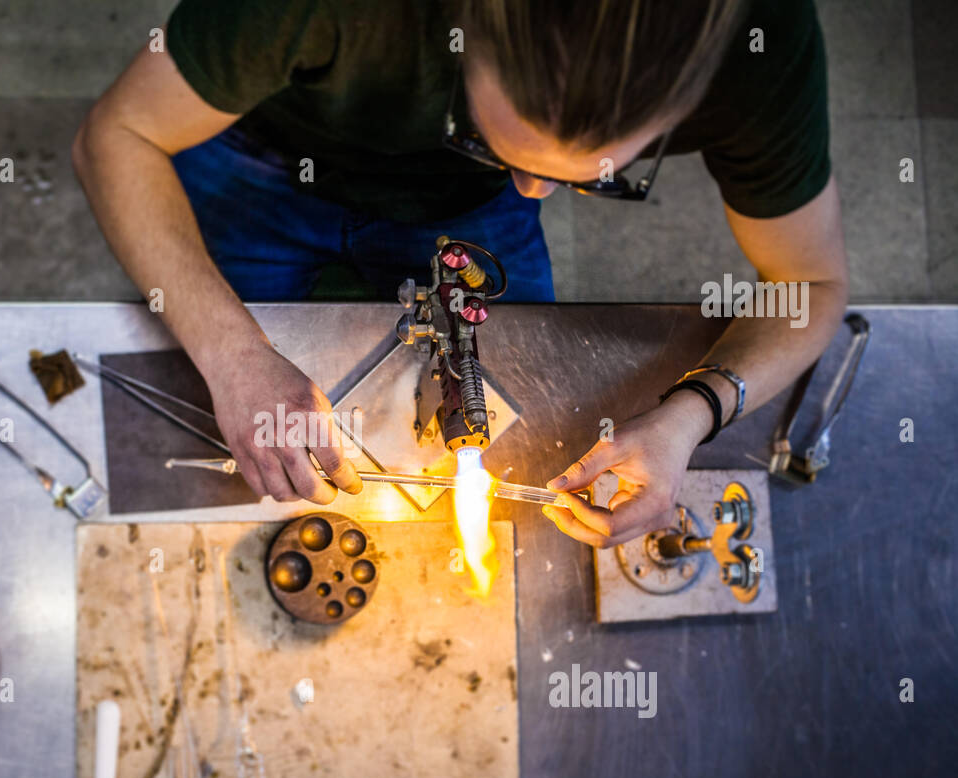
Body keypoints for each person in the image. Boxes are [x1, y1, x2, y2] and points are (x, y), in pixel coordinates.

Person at [72, 0, 846, 548]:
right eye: (492, 143)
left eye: (592, 178)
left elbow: (810, 288)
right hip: (259, 154)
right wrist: (234, 355)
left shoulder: (758, 40)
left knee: (540, 431)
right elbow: (117, 137)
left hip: (460, 210)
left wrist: (688, 416)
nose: (533, 195)